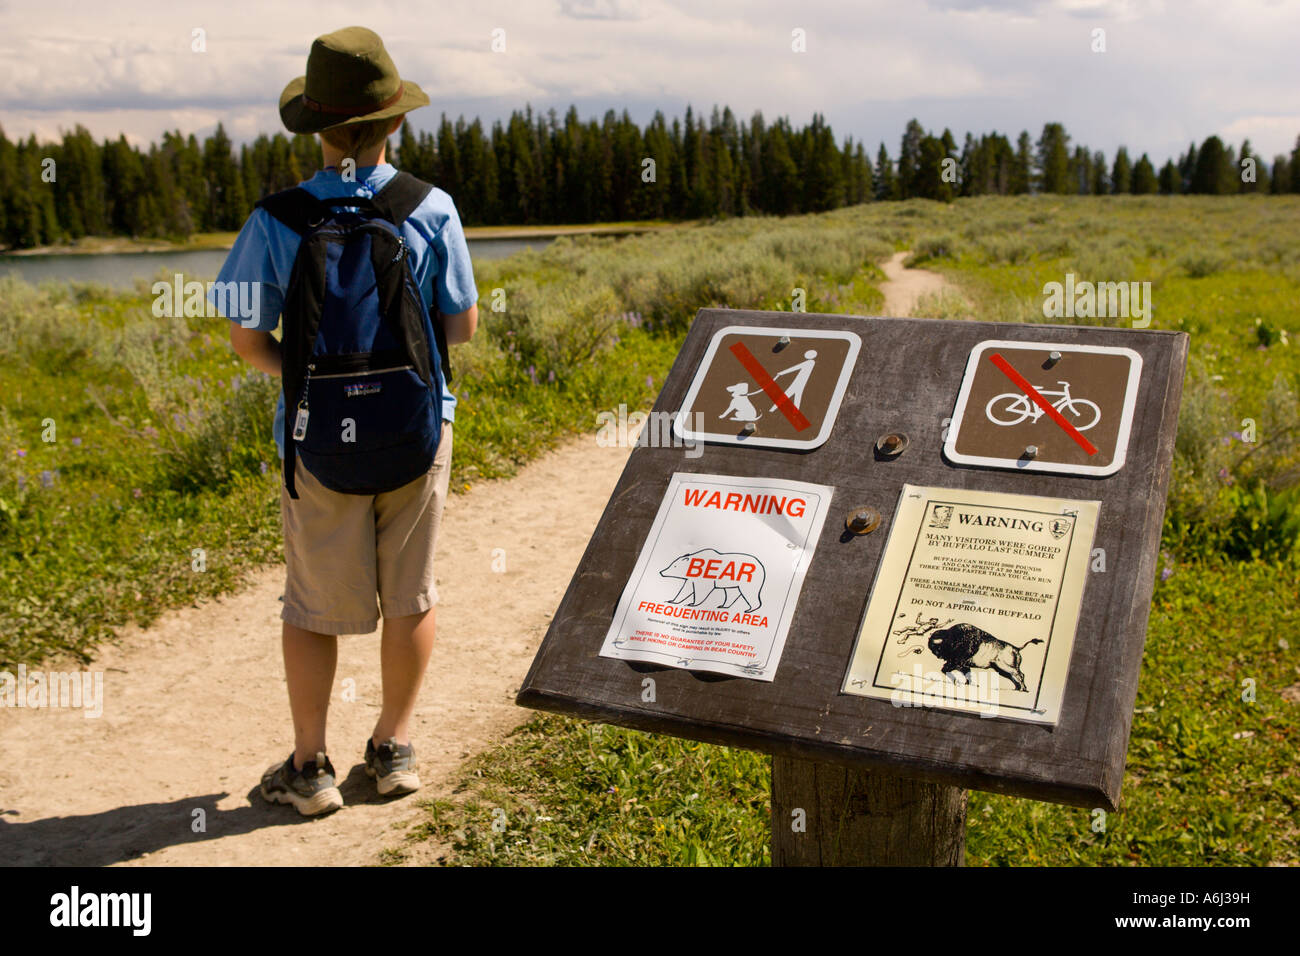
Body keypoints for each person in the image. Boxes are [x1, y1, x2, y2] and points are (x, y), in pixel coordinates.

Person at [211, 26, 479, 815]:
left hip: (314, 439)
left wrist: (305, 379)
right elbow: (457, 329)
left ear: (318, 130)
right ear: (394, 122)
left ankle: (310, 766)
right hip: (418, 429)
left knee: (310, 608)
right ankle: (393, 750)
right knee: (412, 597)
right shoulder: (431, 208)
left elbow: (243, 339)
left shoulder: (277, 218)